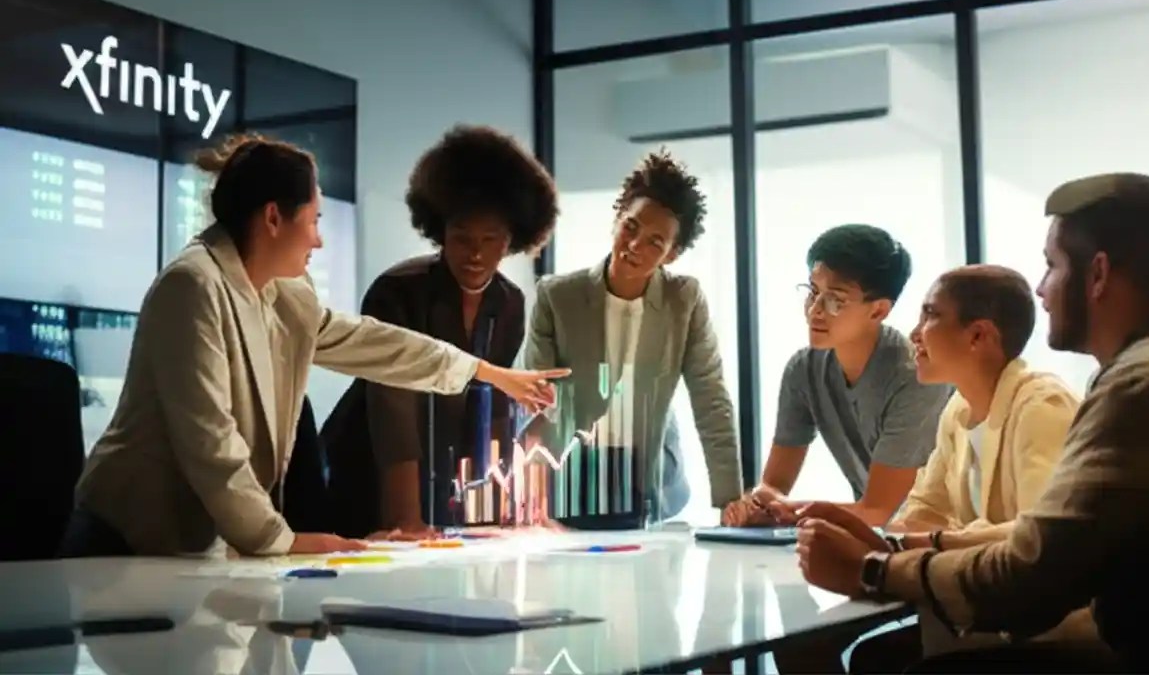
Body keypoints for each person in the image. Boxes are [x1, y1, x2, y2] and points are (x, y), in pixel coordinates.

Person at [796, 173, 1149, 672]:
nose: (1041, 289)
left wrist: (872, 570)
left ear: (1097, 275)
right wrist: (901, 543)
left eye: (1052, 265)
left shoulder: (1148, 387)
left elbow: (1029, 578)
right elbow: (1038, 538)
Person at [59, 133, 568, 559]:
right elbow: (210, 443)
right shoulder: (192, 287)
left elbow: (369, 342)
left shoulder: (284, 290)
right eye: (315, 220)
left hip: (194, 547)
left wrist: (486, 371)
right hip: (124, 542)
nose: (319, 240)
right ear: (275, 218)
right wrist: (281, 540)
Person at [322, 125, 559, 538]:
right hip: (370, 470)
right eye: (462, 238)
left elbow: (494, 408)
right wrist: (405, 519)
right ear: (440, 232)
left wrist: (501, 505)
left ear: (511, 241)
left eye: (491, 240)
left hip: (449, 482)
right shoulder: (396, 291)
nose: (476, 253)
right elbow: (391, 404)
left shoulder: (510, 304)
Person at [845, 264, 1081, 672]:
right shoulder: (957, 410)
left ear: (978, 335)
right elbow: (922, 513)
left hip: (1048, 626)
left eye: (931, 315)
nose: (915, 333)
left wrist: (923, 544)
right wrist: (850, 534)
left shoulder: (1042, 405)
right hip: (986, 610)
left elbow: (1040, 538)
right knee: (871, 659)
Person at [524, 149, 743, 525]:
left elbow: (710, 398)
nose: (635, 245)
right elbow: (539, 397)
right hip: (575, 484)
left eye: (655, 242)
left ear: (671, 255)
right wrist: (537, 494)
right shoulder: (557, 296)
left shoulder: (684, 300)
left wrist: (730, 500)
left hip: (653, 485)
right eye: (631, 227)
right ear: (617, 219)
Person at [722, 224, 951, 529]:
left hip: (940, 541)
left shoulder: (915, 377)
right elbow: (772, 487)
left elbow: (879, 511)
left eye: (835, 300)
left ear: (879, 311)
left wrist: (788, 510)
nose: (815, 311)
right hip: (873, 541)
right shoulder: (803, 370)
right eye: (813, 293)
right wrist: (756, 506)